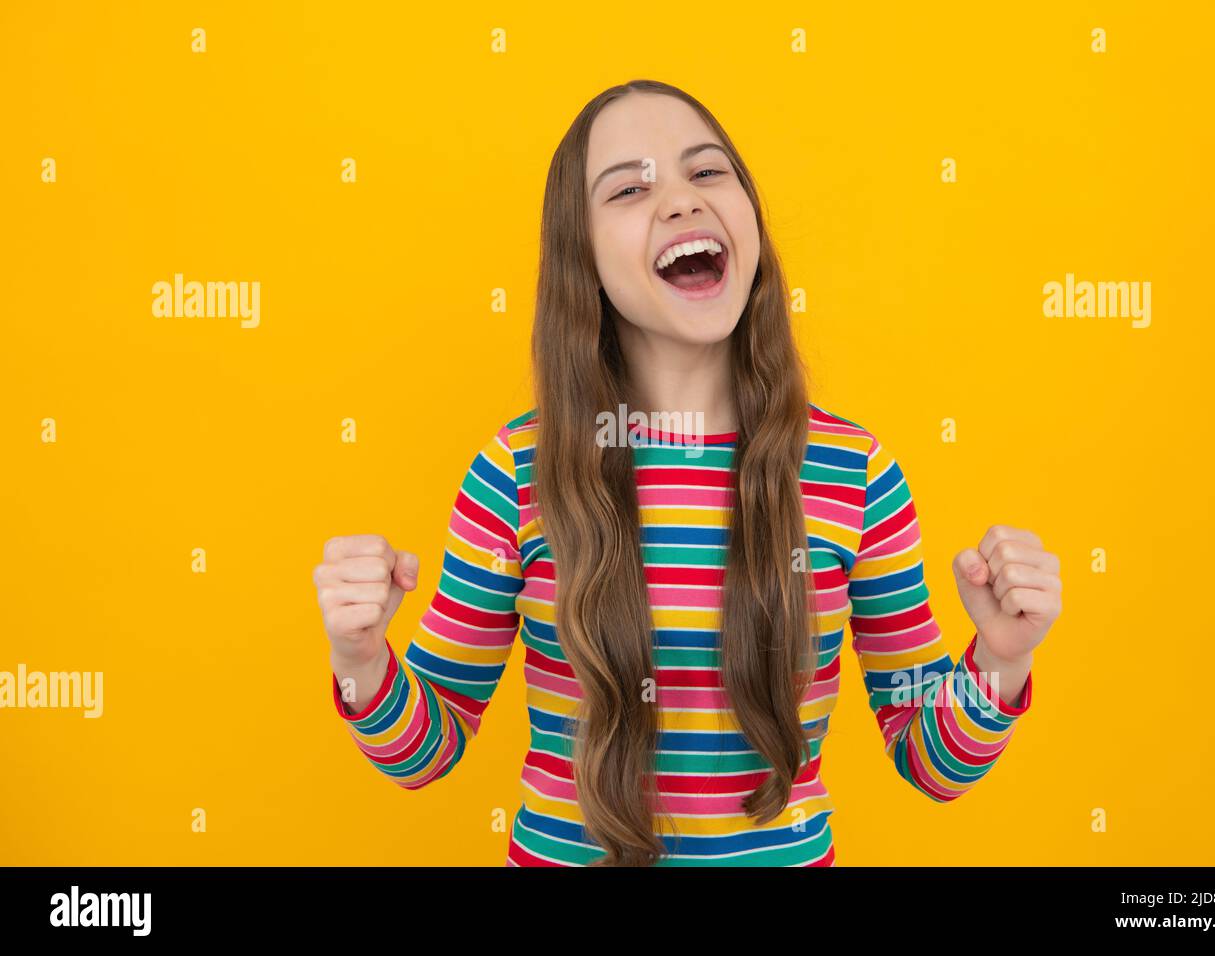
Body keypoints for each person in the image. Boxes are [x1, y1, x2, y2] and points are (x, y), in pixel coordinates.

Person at [312, 79, 1063, 867]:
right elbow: (424, 749)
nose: (679, 201)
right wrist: (361, 663)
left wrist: (1001, 660)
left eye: (707, 173)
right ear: (585, 261)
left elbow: (928, 756)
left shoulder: (854, 472)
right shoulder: (515, 473)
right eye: (631, 189)